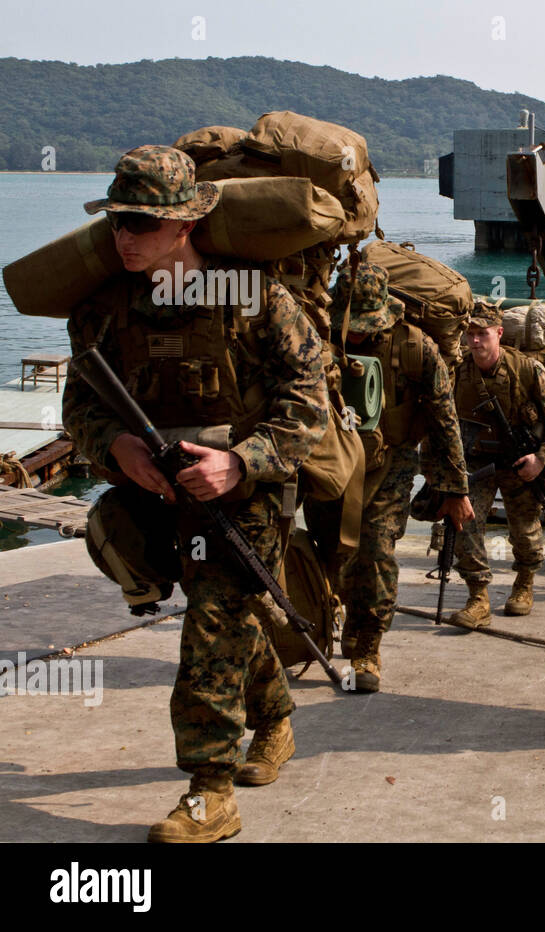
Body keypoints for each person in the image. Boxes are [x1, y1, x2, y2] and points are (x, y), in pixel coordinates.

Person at [65, 145, 329, 842]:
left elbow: (309, 407)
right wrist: (113, 447)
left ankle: (209, 791)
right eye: (118, 222)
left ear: (184, 226)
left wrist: (241, 462)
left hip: (242, 496)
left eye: (142, 224)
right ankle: (274, 719)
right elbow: (80, 410)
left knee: (212, 622)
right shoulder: (100, 312)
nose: (125, 237)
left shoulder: (258, 300)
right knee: (229, 621)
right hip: (151, 492)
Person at [318, 263, 472, 692]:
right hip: (331, 463)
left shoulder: (415, 347)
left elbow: (445, 419)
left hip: (391, 463)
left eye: (366, 327)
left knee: (375, 550)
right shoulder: (319, 338)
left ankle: (368, 645)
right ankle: (336, 614)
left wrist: (454, 487)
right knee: (334, 549)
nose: (357, 335)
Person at [451, 302, 545, 626]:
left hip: (519, 462)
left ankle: (524, 583)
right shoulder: (458, 372)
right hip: (477, 461)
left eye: (483, 334)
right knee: (464, 522)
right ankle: (478, 596)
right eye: (470, 334)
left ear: (499, 334)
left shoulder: (527, 370)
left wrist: (542, 459)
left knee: (525, 528)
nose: (475, 342)